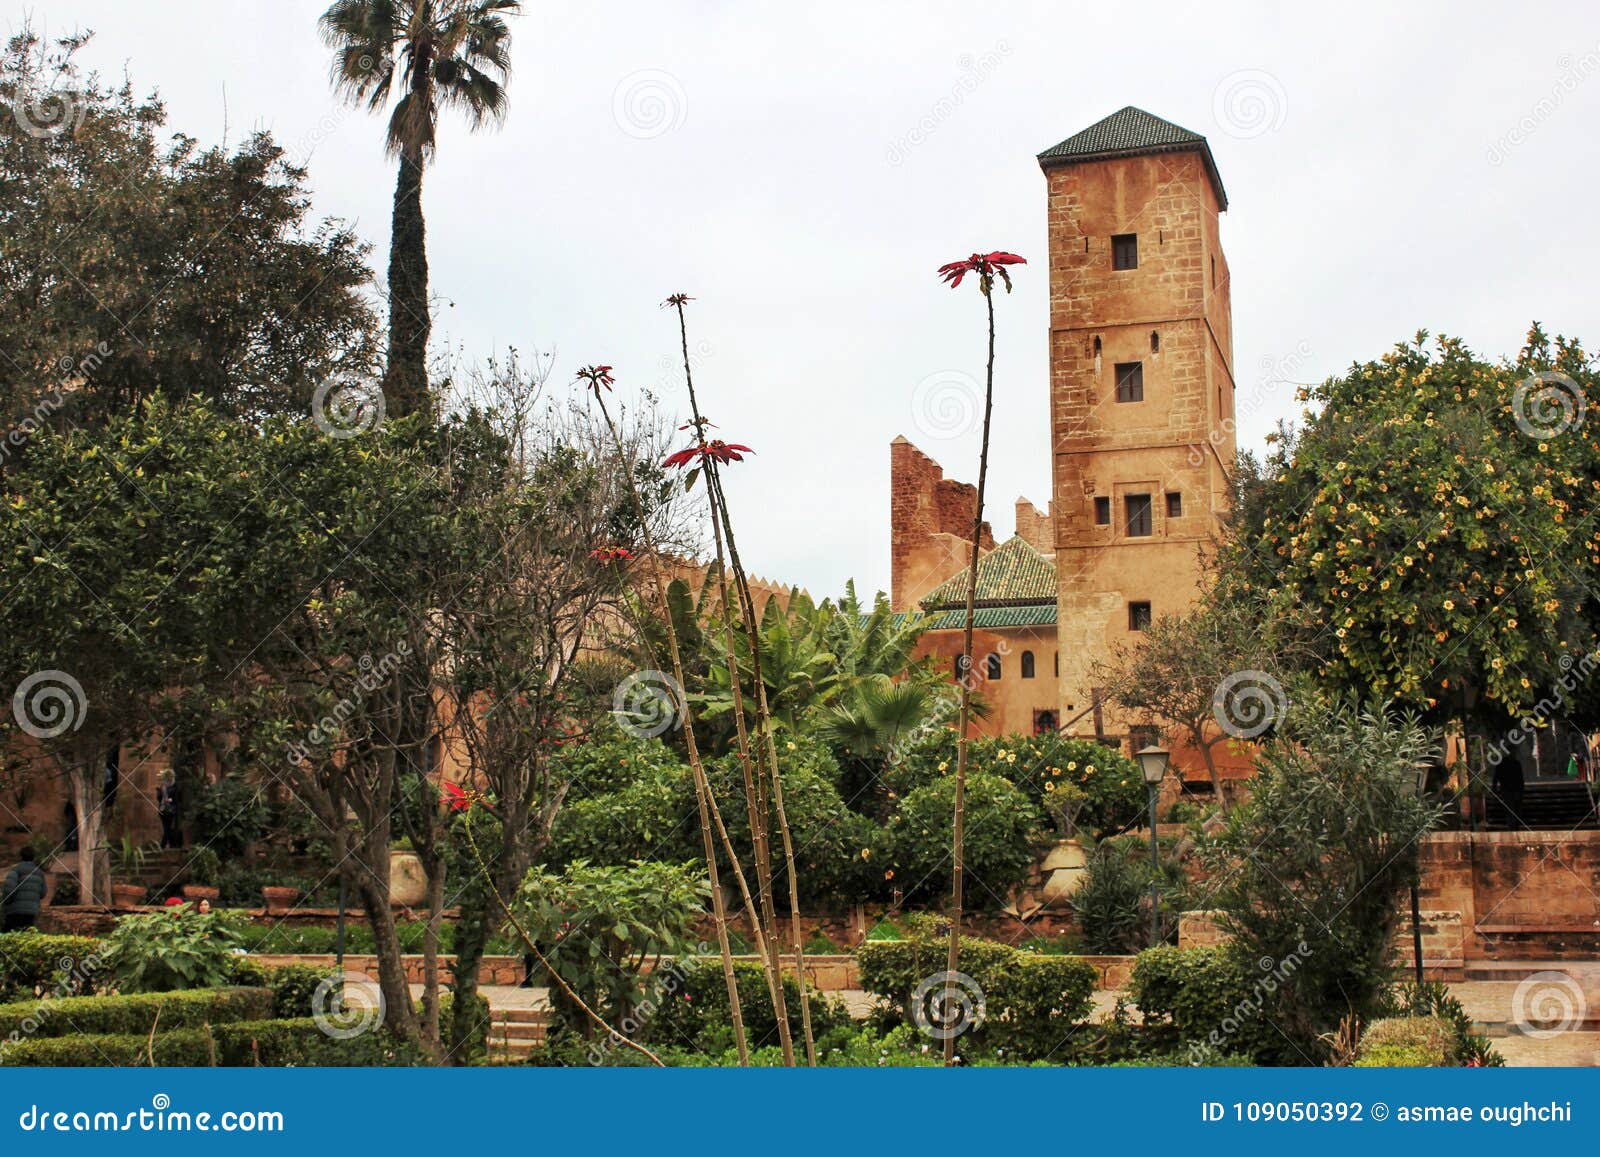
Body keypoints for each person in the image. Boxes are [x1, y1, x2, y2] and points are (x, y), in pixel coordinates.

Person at [2, 847, 49, 932]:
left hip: (14, 911)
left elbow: (9, 890)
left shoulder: (16, 870)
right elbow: (43, 892)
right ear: (33, 858)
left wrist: (6, 903)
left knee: (8, 936)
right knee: (27, 936)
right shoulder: (39, 873)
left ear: (20, 857)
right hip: (32, 911)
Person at [156, 771, 181, 849]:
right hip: (163, 809)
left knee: (168, 828)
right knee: (167, 828)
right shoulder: (163, 786)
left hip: (170, 810)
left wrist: (171, 800)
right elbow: (159, 798)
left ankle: (165, 845)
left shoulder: (175, 786)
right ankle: (169, 845)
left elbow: (177, 799)